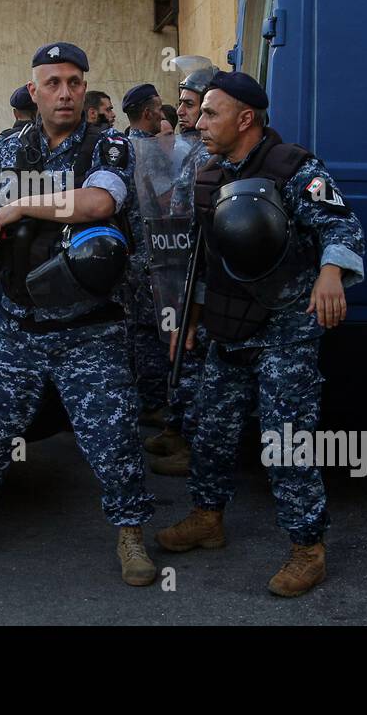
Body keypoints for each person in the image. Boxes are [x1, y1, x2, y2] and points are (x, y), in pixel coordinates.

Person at [0, 42, 157, 587]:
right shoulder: (6, 150)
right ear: (34, 91)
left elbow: (100, 204)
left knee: (114, 436)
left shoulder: (109, 146)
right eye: (52, 83)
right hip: (21, 324)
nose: (65, 93)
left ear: (85, 88)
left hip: (90, 328)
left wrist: (24, 204)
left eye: (74, 82)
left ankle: (130, 535)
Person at [156, 71, 365, 597]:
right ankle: (207, 518)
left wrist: (331, 273)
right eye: (199, 113)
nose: (198, 122)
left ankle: (307, 548)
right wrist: (191, 320)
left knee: (286, 441)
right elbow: (203, 258)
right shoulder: (205, 174)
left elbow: (342, 227)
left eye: (210, 113)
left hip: (285, 327)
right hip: (227, 326)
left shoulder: (295, 168)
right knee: (210, 430)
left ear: (245, 119)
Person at [145, 67, 215, 476]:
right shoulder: (192, 147)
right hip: (181, 268)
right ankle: (180, 428)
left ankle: (194, 445)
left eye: (190, 103)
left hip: (201, 275)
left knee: (196, 358)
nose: (184, 111)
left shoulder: (208, 153)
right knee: (183, 357)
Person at [122, 83, 170, 427]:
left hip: (128, 258)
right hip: (148, 258)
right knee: (149, 334)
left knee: (137, 332)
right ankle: (152, 404)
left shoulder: (119, 146)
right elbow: (170, 205)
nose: (162, 112)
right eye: (159, 107)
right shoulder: (147, 152)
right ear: (147, 112)